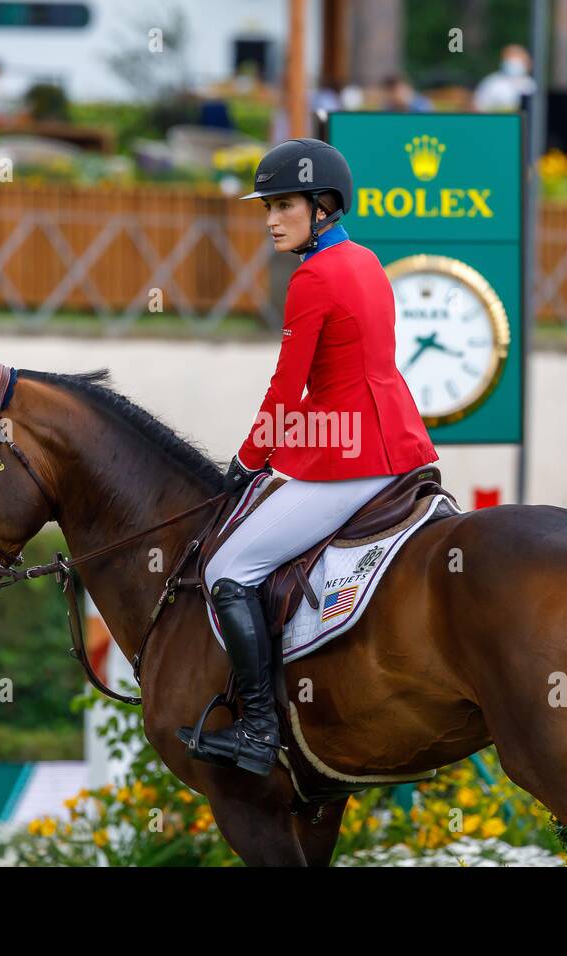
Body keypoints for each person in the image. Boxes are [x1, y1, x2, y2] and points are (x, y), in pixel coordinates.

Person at [177, 138, 439, 776]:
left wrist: (247, 460)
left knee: (226, 568)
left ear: (322, 205)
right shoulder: (368, 261)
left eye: (283, 205)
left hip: (351, 462)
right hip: (399, 444)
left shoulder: (314, 277)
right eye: (267, 206)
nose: (270, 219)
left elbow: (285, 385)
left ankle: (260, 729)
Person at [473, 43, 538, 111]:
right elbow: (478, 107)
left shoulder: (530, 84)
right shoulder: (491, 83)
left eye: (517, 59)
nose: (514, 64)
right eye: (511, 59)